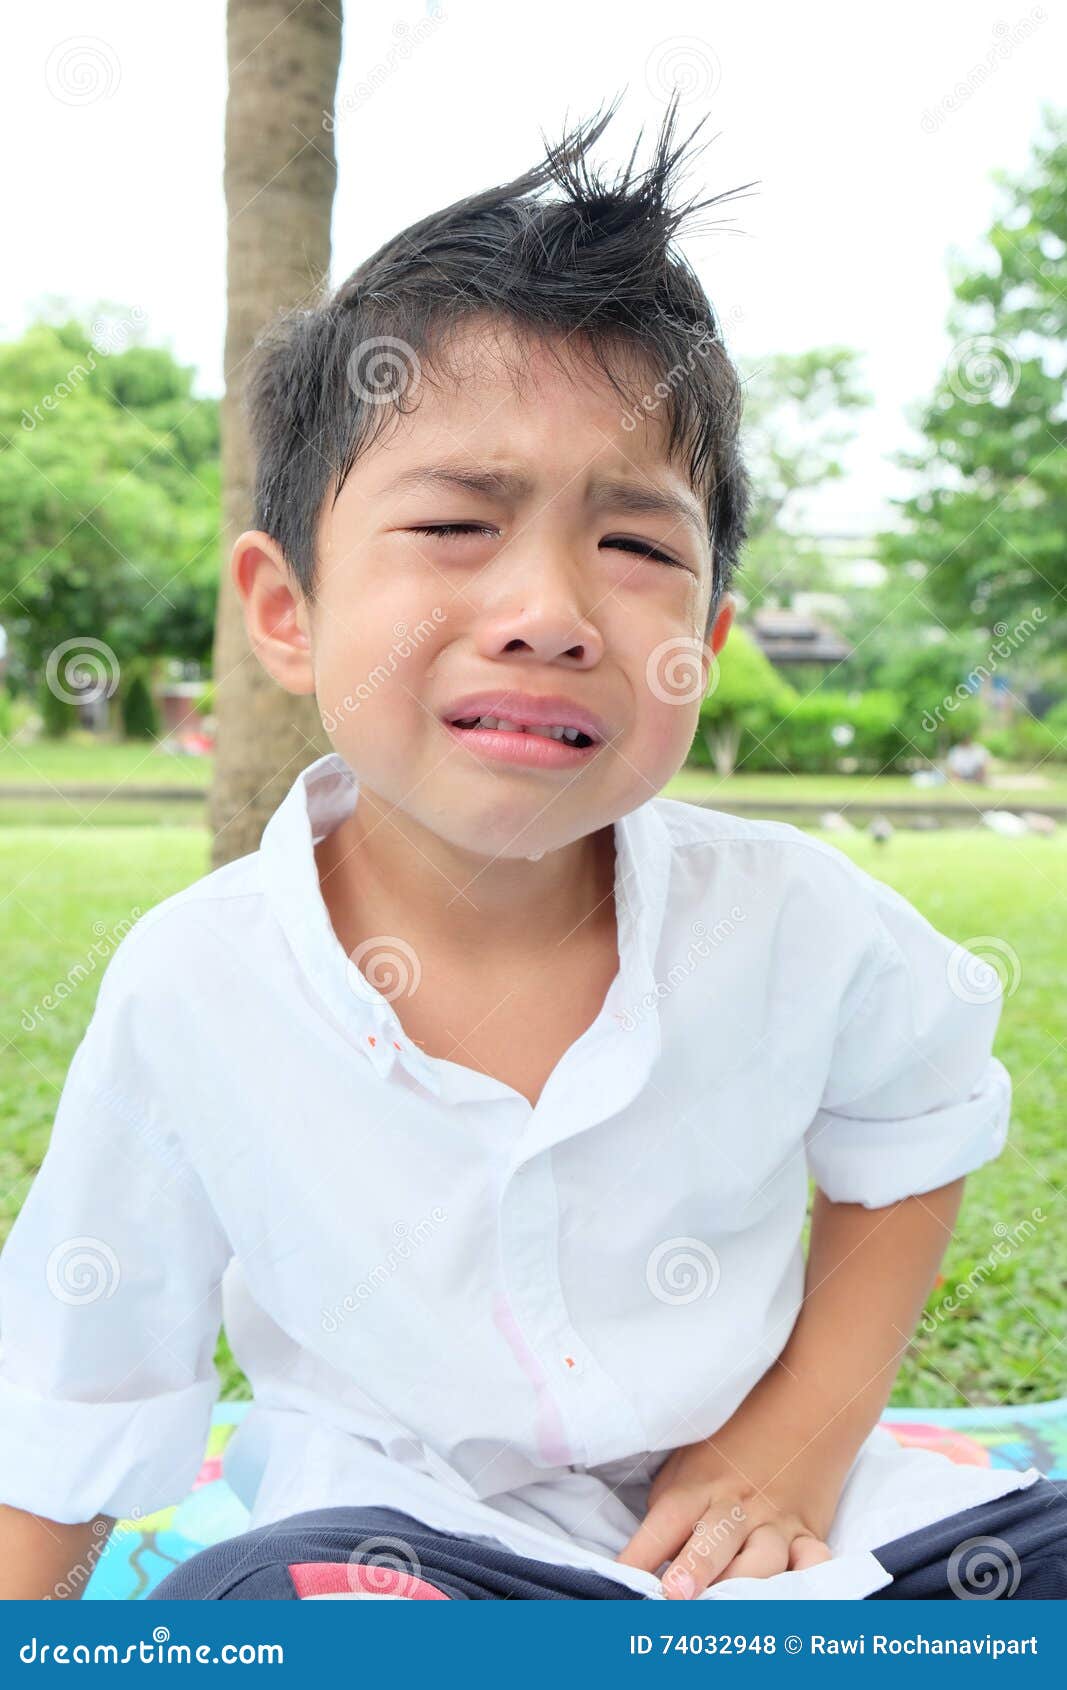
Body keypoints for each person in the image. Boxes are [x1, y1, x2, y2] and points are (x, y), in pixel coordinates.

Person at [0, 96, 1061, 1604]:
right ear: (285, 608)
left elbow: (924, 1120)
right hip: (410, 1555)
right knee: (251, 1617)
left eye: (634, 546)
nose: (553, 609)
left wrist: (803, 1431)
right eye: (454, 526)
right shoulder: (195, 987)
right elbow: (73, 1390)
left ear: (704, 640)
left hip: (785, 1546)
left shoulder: (799, 921)